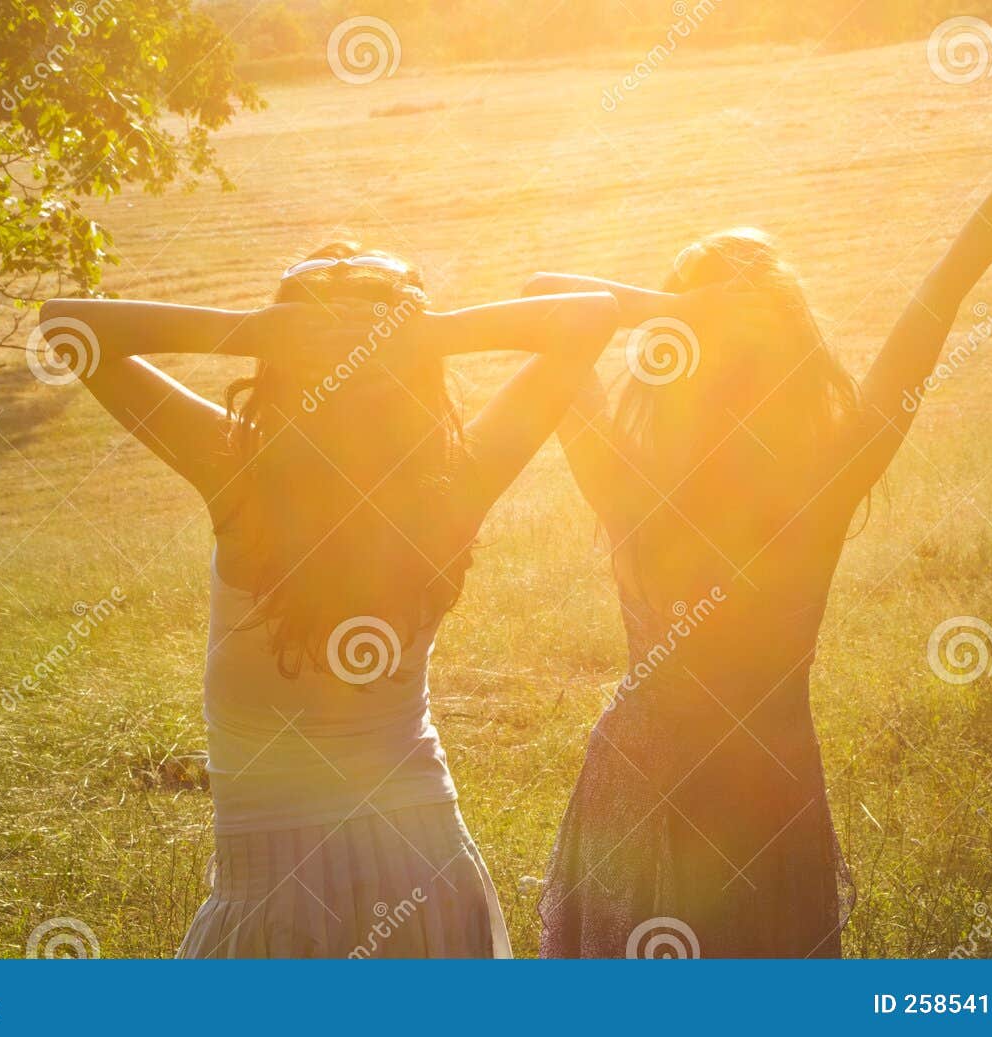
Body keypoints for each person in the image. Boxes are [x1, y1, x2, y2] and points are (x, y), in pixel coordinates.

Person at [528, 72, 992, 958]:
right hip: (763, 790)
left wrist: (677, 309)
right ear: (795, 348)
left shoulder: (632, 478)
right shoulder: (829, 471)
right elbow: (942, 293)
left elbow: (546, 299)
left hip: (650, 789)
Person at [38, 241, 618, 957]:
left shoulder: (237, 472)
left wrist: (247, 331)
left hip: (276, 882)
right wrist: (426, 333)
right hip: (423, 863)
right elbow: (592, 318)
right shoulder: (457, 476)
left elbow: (67, 324)